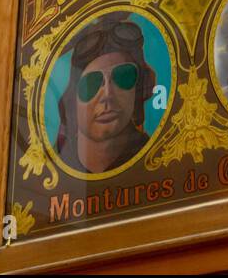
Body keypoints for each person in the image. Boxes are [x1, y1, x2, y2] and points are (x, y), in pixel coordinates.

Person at [55, 14, 157, 174]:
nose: (108, 93)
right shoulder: (56, 168)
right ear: (72, 99)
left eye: (123, 77)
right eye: (92, 83)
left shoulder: (155, 160)